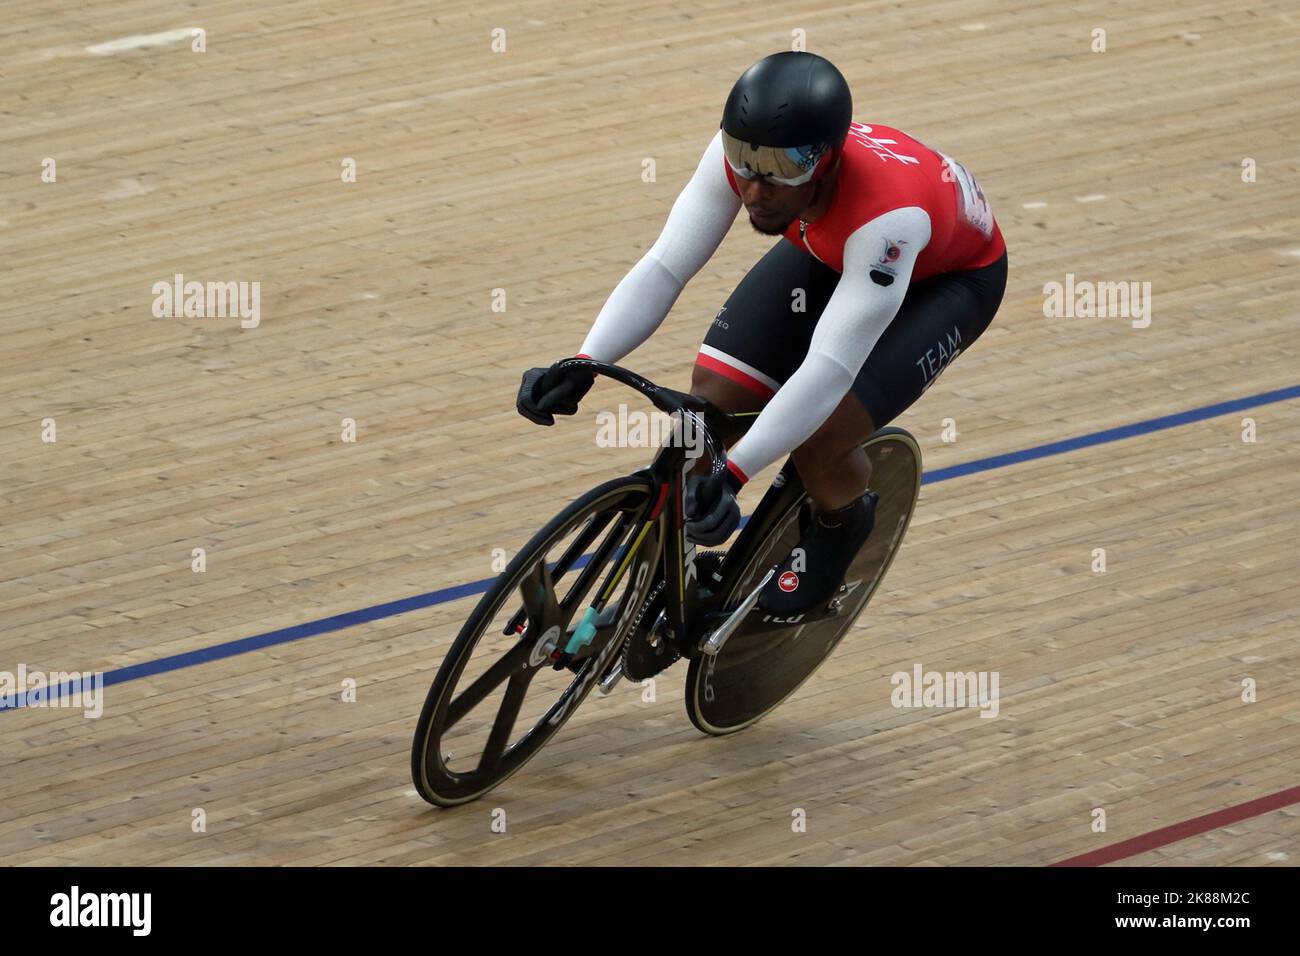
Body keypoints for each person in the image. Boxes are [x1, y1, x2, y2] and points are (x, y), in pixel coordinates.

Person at [517, 51, 1008, 614]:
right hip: (832, 247)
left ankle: (839, 530)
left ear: (824, 164)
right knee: (707, 409)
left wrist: (737, 472)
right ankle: (658, 586)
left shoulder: (887, 219)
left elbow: (827, 367)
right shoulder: (749, 161)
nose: (754, 189)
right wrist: (585, 361)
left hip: (948, 281)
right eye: (745, 163)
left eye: (780, 172)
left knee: (822, 435)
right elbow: (664, 266)